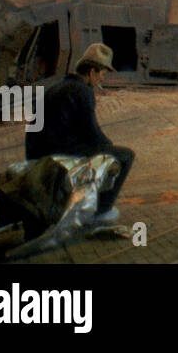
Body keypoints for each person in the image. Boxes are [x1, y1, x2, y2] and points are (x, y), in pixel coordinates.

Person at [25, 43, 134, 225]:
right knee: (124, 156)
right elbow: (92, 132)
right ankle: (100, 212)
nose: (102, 79)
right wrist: (110, 149)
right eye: (102, 74)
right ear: (91, 72)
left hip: (35, 153)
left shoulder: (58, 86)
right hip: (57, 153)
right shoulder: (83, 91)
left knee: (99, 151)